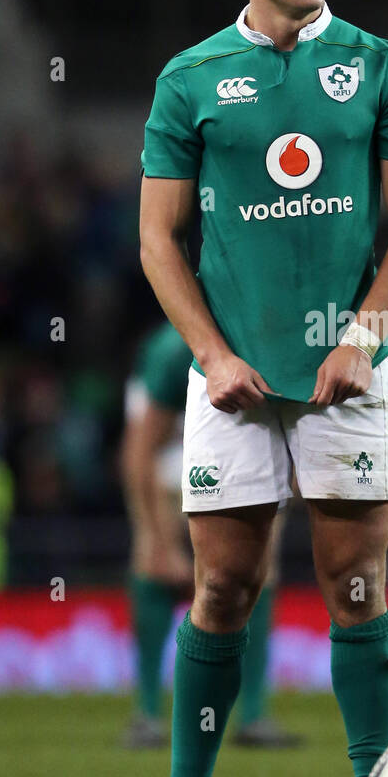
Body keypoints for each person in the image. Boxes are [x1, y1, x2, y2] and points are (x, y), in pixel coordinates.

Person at [139, 0, 388, 777]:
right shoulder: (188, 79)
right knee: (223, 587)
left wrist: (364, 338)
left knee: (355, 583)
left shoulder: (380, 66)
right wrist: (211, 355)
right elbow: (158, 241)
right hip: (233, 378)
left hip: (346, 371)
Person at [120, 320, 300, 749]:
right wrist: (159, 541)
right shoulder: (172, 349)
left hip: (239, 454)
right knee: (152, 561)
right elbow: (139, 451)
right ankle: (146, 712)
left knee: (262, 565)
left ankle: (254, 714)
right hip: (170, 466)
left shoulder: (269, 334)